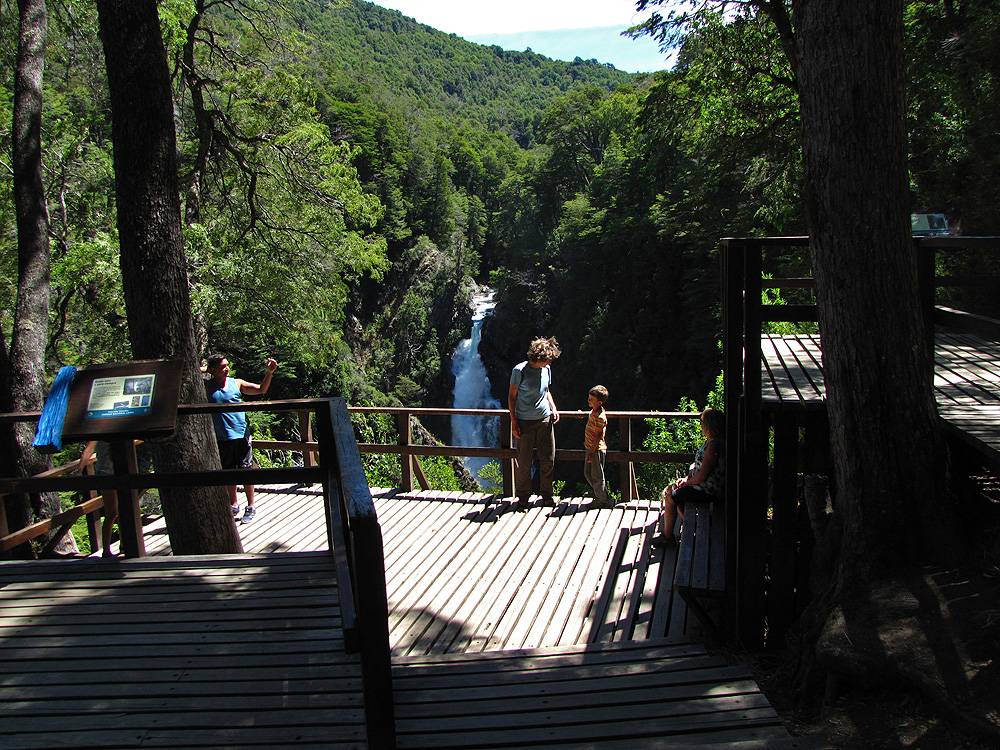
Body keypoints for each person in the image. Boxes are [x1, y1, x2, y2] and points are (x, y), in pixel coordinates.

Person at [204, 354, 278, 524]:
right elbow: (188, 372)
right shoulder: (207, 386)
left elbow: (261, 389)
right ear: (213, 370)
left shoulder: (236, 383)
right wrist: (205, 369)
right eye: (222, 367)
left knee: (246, 469)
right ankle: (233, 504)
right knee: (228, 471)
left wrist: (269, 373)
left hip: (241, 434)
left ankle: (251, 506)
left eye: (227, 365)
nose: (227, 369)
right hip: (222, 436)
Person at [651, 408, 726, 547]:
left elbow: (703, 474)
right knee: (672, 490)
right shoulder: (710, 441)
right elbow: (699, 468)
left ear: (709, 425)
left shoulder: (713, 446)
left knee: (671, 497)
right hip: (704, 486)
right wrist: (686, 479)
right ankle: (692, 527)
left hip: (708, 490)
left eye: (702, 422)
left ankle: (668, 537)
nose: (700, 425)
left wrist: (687, 484)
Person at [508, 336, 561, 510]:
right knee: (524, 462)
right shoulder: (519, 371)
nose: (550, 363)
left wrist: (553, 407)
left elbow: (546, 390)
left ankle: (547, 495)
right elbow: (512, 397)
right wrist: (514, 422)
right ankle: (523, 497)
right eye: (548, 359)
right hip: (524, 422)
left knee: (548, 460)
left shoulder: (546, 369)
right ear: (538, 357)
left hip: (545, 420)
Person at [78, 440, 117, 556]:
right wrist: (79, 470)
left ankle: (124, 545)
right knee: (112, 512)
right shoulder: (97, 433)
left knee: (123, 510)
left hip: (120, 470)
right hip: (106, 473)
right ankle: (106, 550)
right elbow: (89, 449)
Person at [584, 385, 611, 509]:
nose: (588, 400)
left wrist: (592, 451)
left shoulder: (600, 417)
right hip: (590, 448)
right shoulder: (594, 412)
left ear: (599, 402)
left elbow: (598, 436)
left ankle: (601, 500)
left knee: (597, 476)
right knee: (587, 473)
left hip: (596, 449)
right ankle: (601, 494)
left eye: (591, 399)